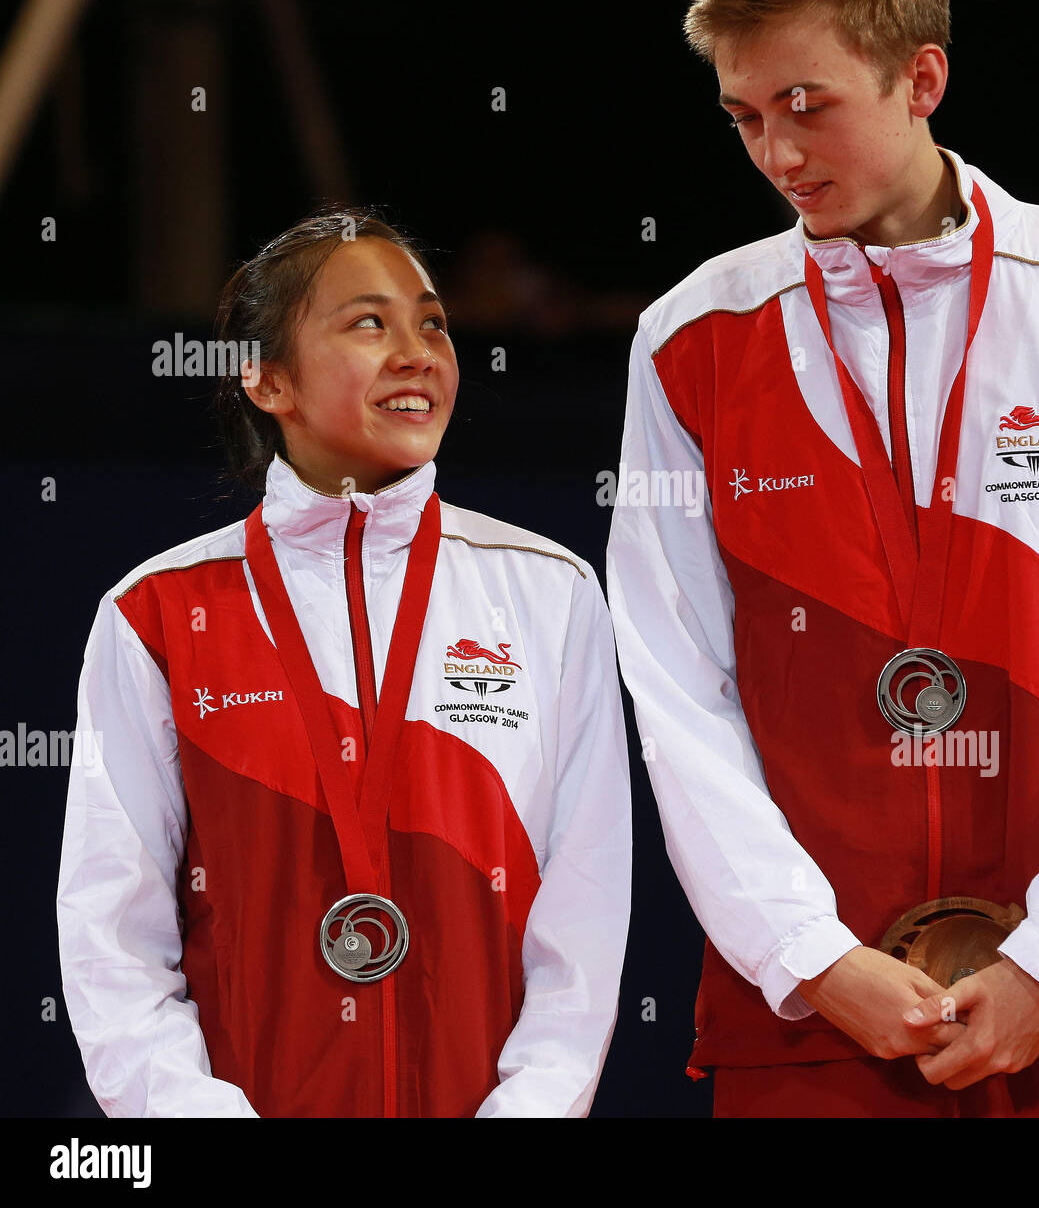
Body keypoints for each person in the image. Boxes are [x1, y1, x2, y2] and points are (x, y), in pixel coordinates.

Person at [606, 0, 1039, 1118]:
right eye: (743, 116)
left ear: (920, 78)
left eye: (806, 104)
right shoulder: (690, 341)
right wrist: (807, 955)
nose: (776, 154)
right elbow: (676, 692)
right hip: (820, 1014)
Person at [57, 209, 632, 1117]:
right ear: (268, 378)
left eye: (432, 322)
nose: (417, 352)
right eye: (369, 323)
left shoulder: (551, 593)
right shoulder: (157, 612)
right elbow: (111, 938)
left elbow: (585, 915)